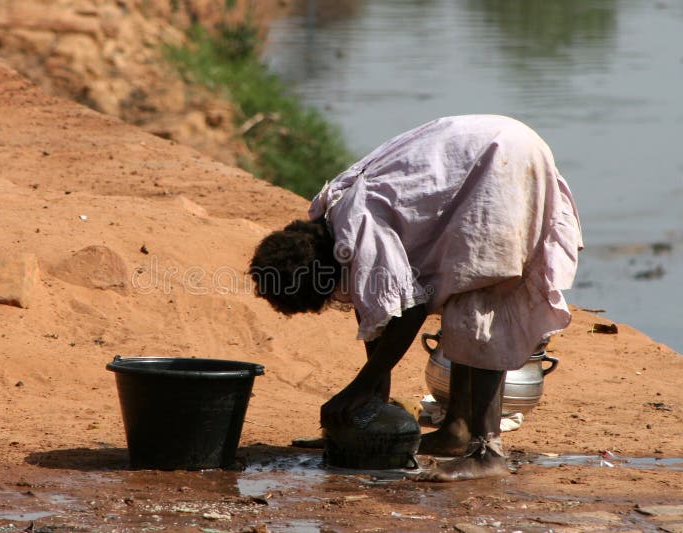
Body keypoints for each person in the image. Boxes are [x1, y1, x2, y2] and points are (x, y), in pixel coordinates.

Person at [249, 115, 583, 481]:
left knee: (479, 296)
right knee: (463, 290)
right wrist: (365, 416)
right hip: (488, 151)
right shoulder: (335, 228)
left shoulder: (360, 228)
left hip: (498, 162)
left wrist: (359, 388)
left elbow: (410, 311)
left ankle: (487, 452)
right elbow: (376, 313)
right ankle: (456, 429)